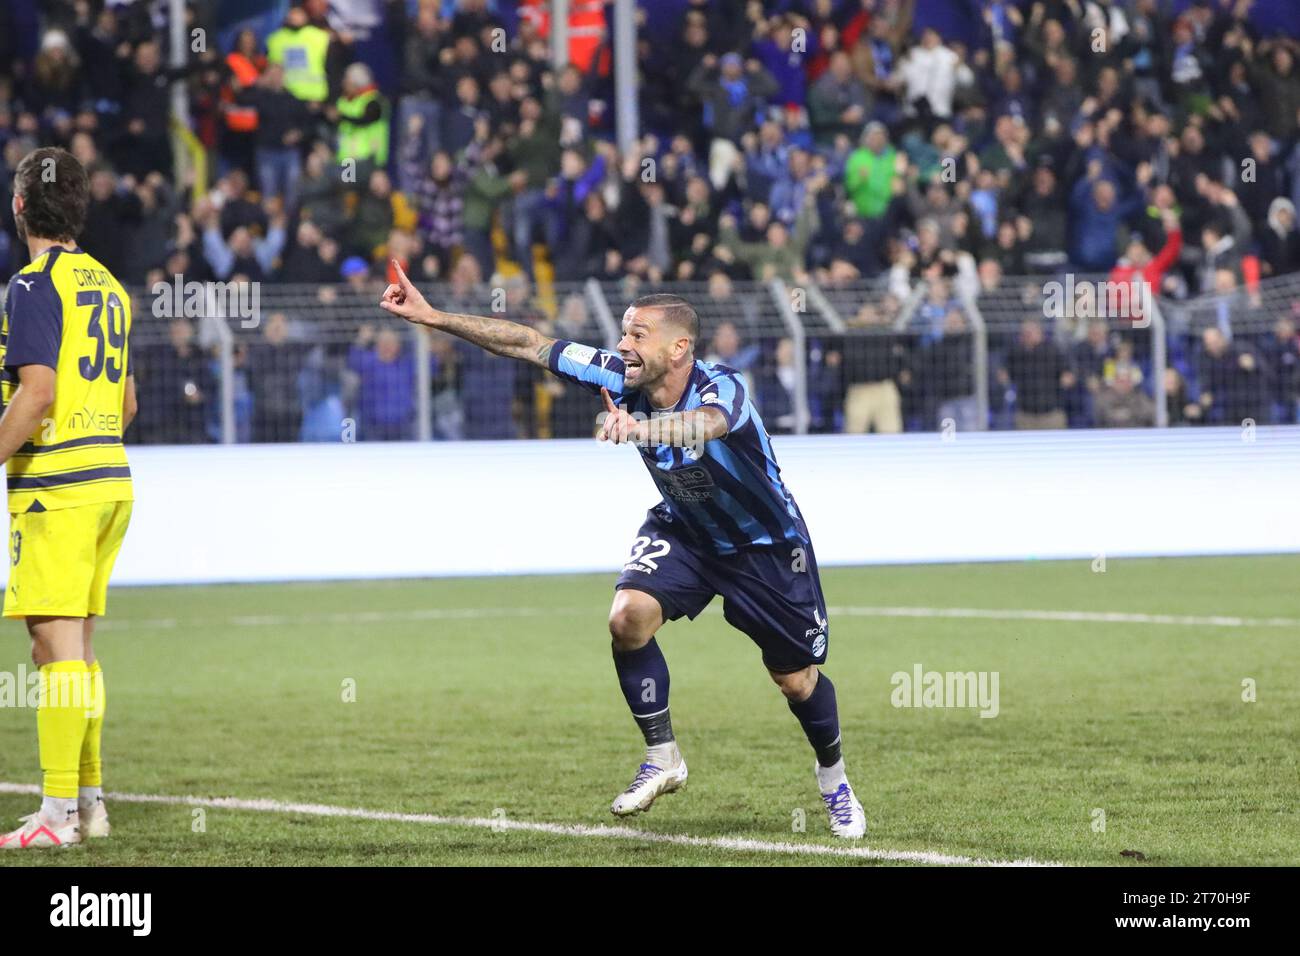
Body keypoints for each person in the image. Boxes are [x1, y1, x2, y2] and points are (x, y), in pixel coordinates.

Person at [378, 265, 866, 839]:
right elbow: (530, 344)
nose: (623, 344)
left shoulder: (723, 385)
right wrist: (433, 317)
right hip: (685, 530)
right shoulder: (616, 376)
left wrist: (640, 432)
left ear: (679, 346)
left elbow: (706, 426)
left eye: (638, 334)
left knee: (795, 680)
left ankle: (833, 779)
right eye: (625, 331)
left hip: (766, 548)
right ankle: (663, 758)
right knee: (627, 618)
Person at [0, 147, 136, 848]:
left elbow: (38, 391)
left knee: (55, 648)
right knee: (77, 647)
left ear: (20, 207)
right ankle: (90, 802)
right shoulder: (109, 286)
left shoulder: (30, 285)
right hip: (111, 479)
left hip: (58, 486)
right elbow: (128, 401)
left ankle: (57, 818)